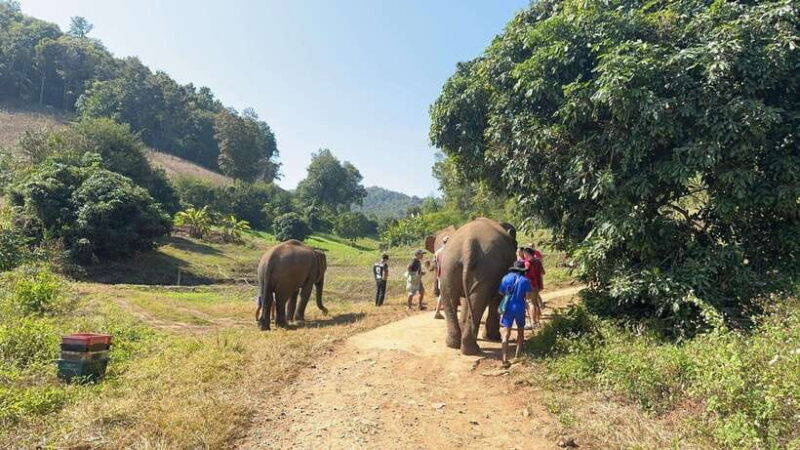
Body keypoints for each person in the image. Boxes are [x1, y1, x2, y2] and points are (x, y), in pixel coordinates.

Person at [498, 260, 533, 368]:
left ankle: (504, 359)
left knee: (506, 333)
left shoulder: (506, 278)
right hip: (520, 307)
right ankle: (517, 356)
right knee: (520, 331)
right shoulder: (525, 280)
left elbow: (500, 292)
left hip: (508, 307)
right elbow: (528, 297)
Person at [523, 246, 545, 327]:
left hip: (529, 284)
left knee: (530, 303)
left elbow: (525, 274)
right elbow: (542, 272)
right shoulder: (538, 261)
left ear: (527, 253)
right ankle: (537, 321)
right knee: (535, 303)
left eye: (524, 253)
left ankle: (533, 322)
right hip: (537, 284)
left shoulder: (527, 263)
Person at [433, 236, 449, 319]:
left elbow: (435, 265)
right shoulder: (449, 251)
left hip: (440, 275)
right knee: (444, 294)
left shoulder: (437, 252)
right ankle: (438, 312)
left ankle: (438, 312)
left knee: (442, 294)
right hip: (448, 276)